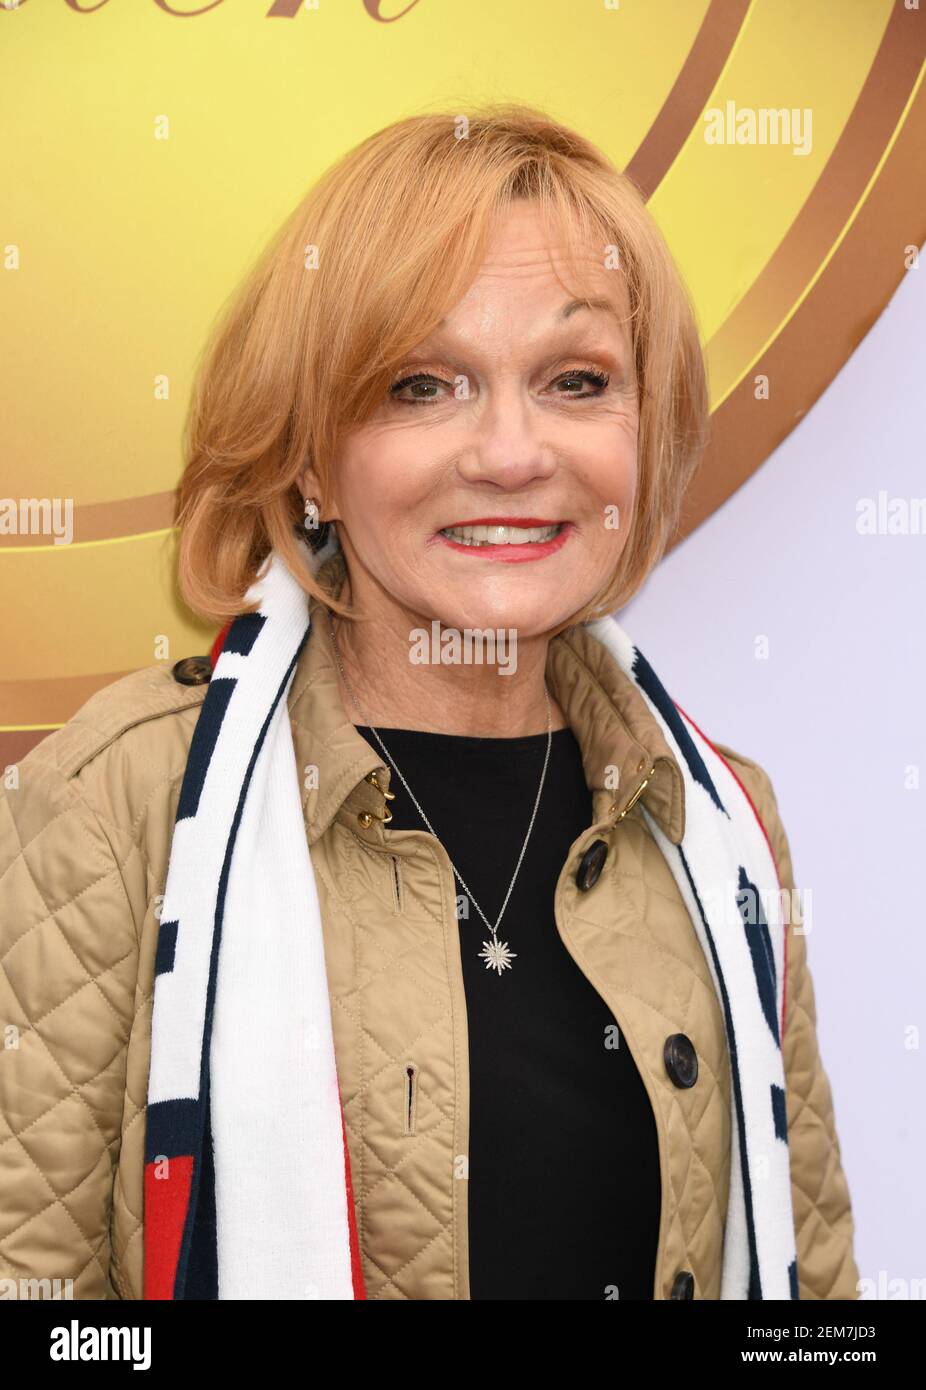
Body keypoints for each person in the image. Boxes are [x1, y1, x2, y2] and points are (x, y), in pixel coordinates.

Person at [0, 105, 858, 1301]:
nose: (510, 452)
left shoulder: (720, 823)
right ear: (308, 457)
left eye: (574, 380)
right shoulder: (115, 803)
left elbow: (811, 1307)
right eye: (422, 383)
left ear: (642, 434)